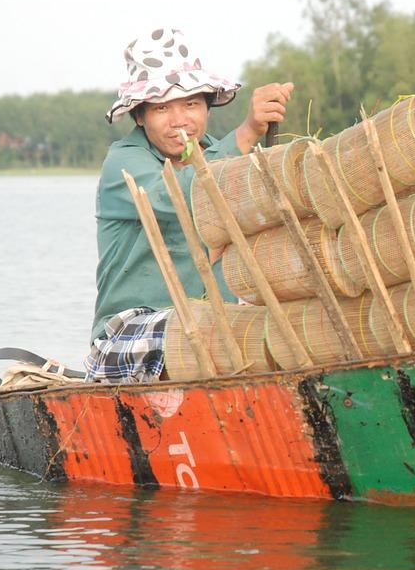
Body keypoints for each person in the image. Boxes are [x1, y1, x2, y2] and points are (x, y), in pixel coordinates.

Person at [85, 27, 293, 383]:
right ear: (140, 116)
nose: (179, 120)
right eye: (162, 108)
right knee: (201, 330)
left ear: (207, 109)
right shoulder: (125, 163)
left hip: (217, 327)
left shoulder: (223, 155)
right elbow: (179, 194)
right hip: (130, 336)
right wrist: (246, 132)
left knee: (267, 329)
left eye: (191, 104)